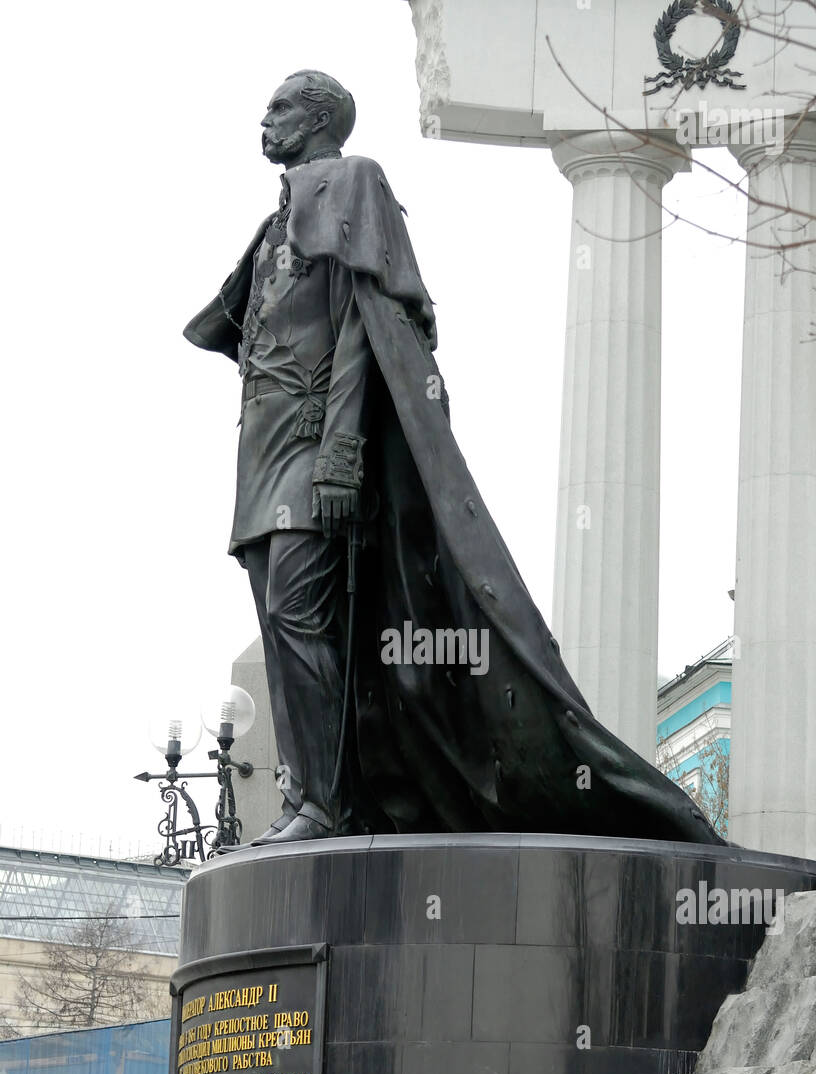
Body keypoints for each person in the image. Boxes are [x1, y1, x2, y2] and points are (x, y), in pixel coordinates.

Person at [185, 70, 723, 849]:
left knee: (298, 615)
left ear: (321, 119)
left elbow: (364, 325)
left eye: (279, 108)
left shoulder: (354, 181)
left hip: (310, 446)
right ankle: (311, 795)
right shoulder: (274, 224)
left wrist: (342, 448)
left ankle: (326, 807)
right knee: (283, 627)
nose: (262, 120)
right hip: (260, 454)